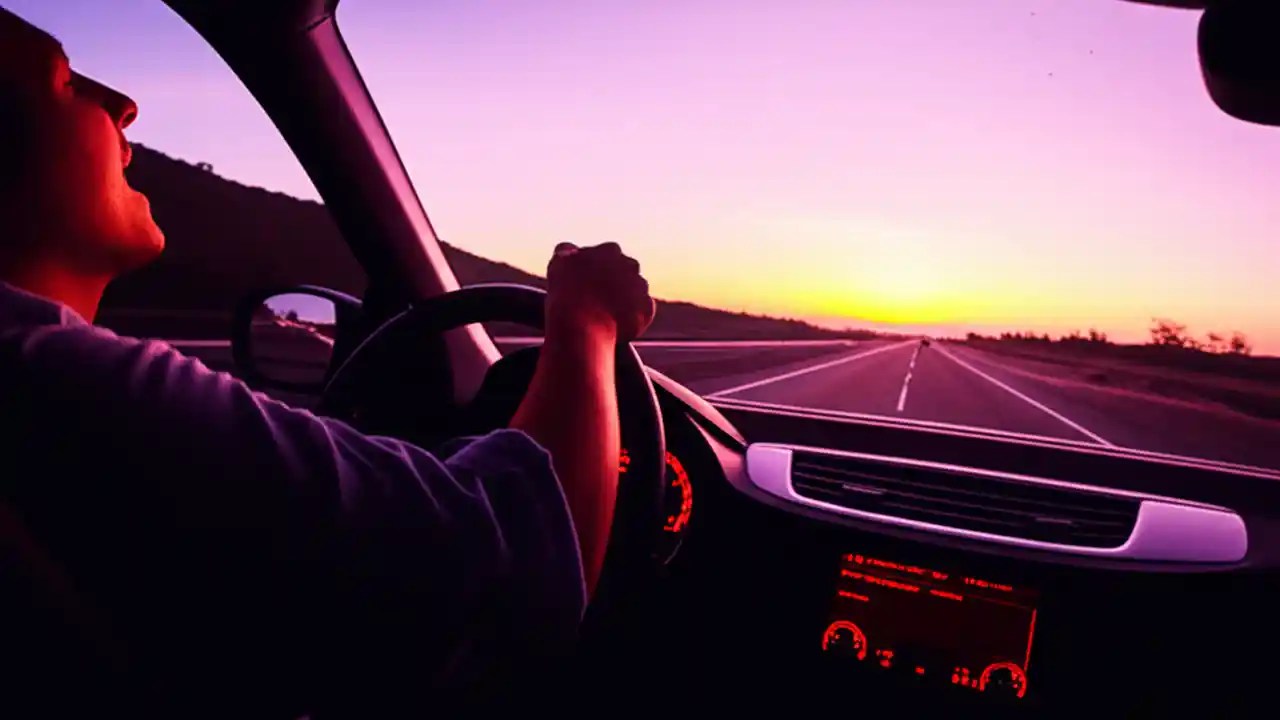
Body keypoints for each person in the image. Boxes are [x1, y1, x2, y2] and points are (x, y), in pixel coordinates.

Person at [0, 6, 655, 716]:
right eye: (64, 81)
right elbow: (515, 570)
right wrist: (585, 316)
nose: (122, 104)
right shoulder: (52, 381)